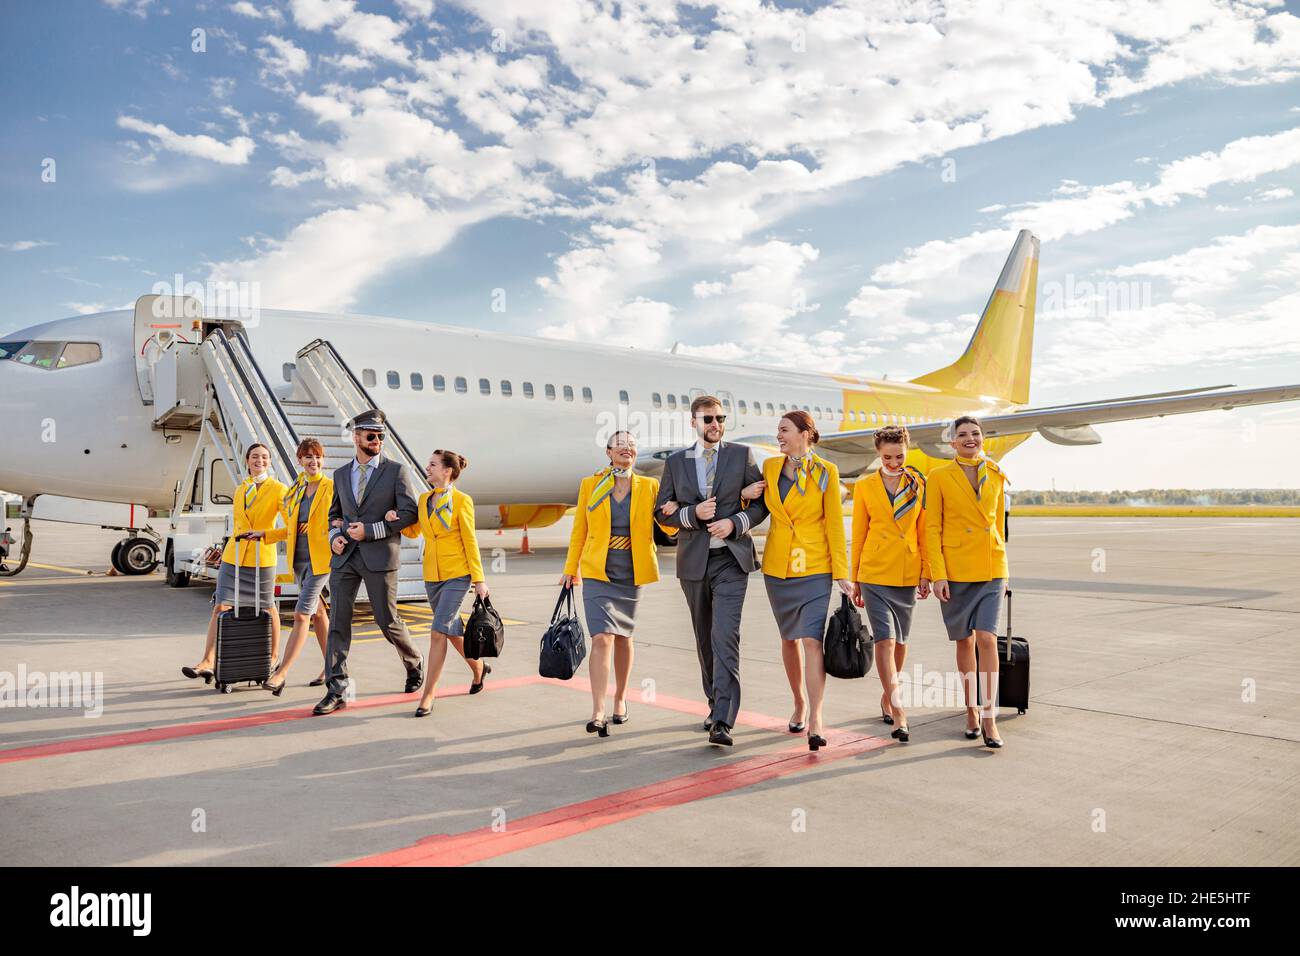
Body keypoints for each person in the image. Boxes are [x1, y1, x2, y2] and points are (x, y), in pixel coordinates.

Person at [655, 396, 769, 747]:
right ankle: (712, 702)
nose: (715, 424)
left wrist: (735, 523)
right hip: (693, 563)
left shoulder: (741, 455)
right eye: (708, 419)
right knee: (705, 640)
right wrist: (692, 515)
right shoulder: (676, 462)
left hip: (731, 561)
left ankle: (723, 719)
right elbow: (662, 512)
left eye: (720, 418)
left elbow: (762, 505)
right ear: (694, 422)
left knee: (724, 636)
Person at [314, 409, 424, 716]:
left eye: (380, 437)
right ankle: (337, 687)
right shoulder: (339, 475)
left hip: (379, 556)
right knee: (338, 623)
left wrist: (372, 530)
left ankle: (414, 662)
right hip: (345, 557)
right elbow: (334, 515)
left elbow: (409, 514)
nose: (377, 441)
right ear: (356, 437)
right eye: (371, 436)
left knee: (386, 621)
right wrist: (334, 536)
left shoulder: (395, 472)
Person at [561, 431, 670, 737]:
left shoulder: (649, 487)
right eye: (621, 444)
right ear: (608, 452)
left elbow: (665, 525)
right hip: (598, 570)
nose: (627, 448)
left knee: (623, 637)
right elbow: (579, 530)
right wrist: (571, 568)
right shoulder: (591, 485)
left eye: (632, 445)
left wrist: (676, 513)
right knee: (602, 637)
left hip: (632, 571)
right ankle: (598, 710)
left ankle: (621, 697)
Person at [759, 410, 852, 752]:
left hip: (815, 566)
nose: (778, 436)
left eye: (784, 431)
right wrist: (746, 492)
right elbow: (759, 507)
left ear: (804, 434)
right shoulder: (770, 468)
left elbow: (834, 525)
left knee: (812, 640)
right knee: (788, 639)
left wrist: (842, 572)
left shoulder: (827, 473)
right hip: (778, 567)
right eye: (778, 431)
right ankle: (798, 701)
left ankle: (816, 717)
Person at [924, 415, 1010, 749]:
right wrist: (938, 574)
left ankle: (989, 716)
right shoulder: (939, 476)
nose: (970, 438)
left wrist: (1006, 571)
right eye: (963, 435)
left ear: (982, 438)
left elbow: (999, 526)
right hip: (956, 570)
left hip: (991, 566)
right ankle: (970, 709)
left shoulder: (997, 474)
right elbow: (932, 527)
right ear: (953, 442)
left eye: (975, 433)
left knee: (987, 639)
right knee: (964, 641)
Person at [849, 425, 930, 743]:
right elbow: (859, 533)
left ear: (907, 450)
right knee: (884, 640)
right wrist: (854, 577)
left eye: (900, 456)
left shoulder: (919, 484)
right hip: (874, 571)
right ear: (877, 453)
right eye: (887, 456)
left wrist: (927, 571)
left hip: (907, 571)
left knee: (901, 641)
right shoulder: (865, 486)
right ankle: (898, 710)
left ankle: (886, 694)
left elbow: (924, 530)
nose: (894, 462)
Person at [395, 449, 490, 718]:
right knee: (450, 630)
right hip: (432, 574)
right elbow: (415, 529)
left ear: (447, 471)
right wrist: (397, 519)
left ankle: (429, 694)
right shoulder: (425, 499)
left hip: (457, 574)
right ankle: (479, 668)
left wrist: (479, 578)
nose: (428, 467)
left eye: (433, 464)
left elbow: (470, 539)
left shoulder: (462, 501)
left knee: (438, 632)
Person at [182, 443, 286, 683]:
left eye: (264, 457)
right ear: (247, 460)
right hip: (234, 555)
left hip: (261, 556)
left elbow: (290, 527)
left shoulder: (279, 490)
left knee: (268, 607)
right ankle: (208, 661)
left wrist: (266, 534)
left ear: (269, 461)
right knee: (220, 606)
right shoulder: (241, 489)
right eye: (254, 457)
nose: (259, 460)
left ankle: (273, 656)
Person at [246, 438, 333, 695]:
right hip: (300, 560)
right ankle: (334, 666)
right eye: (308, 457)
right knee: (318, 614)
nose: (313, 461)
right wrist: (264, 534)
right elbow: (290, 528)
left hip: (322, 560)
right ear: (299, 461)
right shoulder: (296, 488)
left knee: (301, 614)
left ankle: (281, 673)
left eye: (317, 457)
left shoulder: (331, 487)